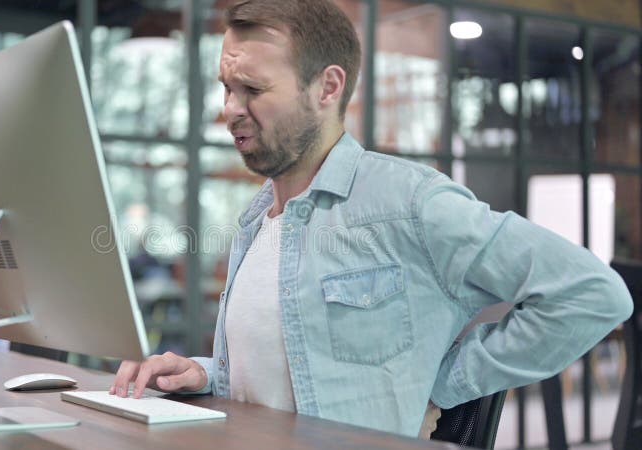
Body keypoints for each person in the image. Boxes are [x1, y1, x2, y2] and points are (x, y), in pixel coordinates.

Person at [110, 0, 633, 438]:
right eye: (227, 87)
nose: (230, 108)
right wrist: (202, 372)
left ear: (328, 87)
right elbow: (285, 366)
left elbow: (592, 295)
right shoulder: (254, 220)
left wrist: (442, 385)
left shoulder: (410, 202)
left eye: (253, 89)